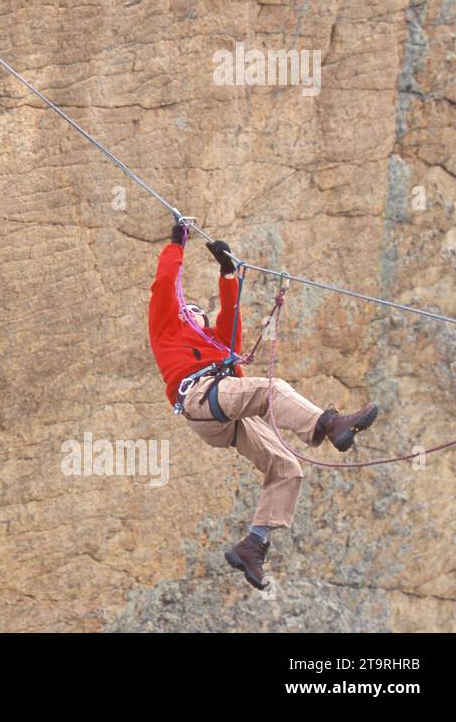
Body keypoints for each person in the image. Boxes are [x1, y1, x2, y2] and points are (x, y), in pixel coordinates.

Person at [148, 220, 379, 589]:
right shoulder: (167, 329)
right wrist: (178, 243)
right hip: (200, 395)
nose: (192, 311)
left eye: (198, 312)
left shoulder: (214, 342)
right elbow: (165, 288)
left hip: (220, 408)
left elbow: (231, 326)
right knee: (272, 389)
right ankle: (328, 423)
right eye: (187, 309)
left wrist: (227, 274)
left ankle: (253, 544)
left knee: (288, 467)